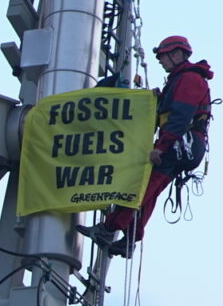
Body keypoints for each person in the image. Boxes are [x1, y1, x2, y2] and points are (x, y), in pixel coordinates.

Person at [85, 34, 214, 256]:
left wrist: (161, 147)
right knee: (149, 191)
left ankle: (108, 229)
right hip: (186, 146)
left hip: (179, 143)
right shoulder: (179, 79)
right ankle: (130, 239)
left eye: (163, 56)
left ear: (177, 54)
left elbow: (179, 118)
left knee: (140, 186)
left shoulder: (189, 79)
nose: (161, 61)